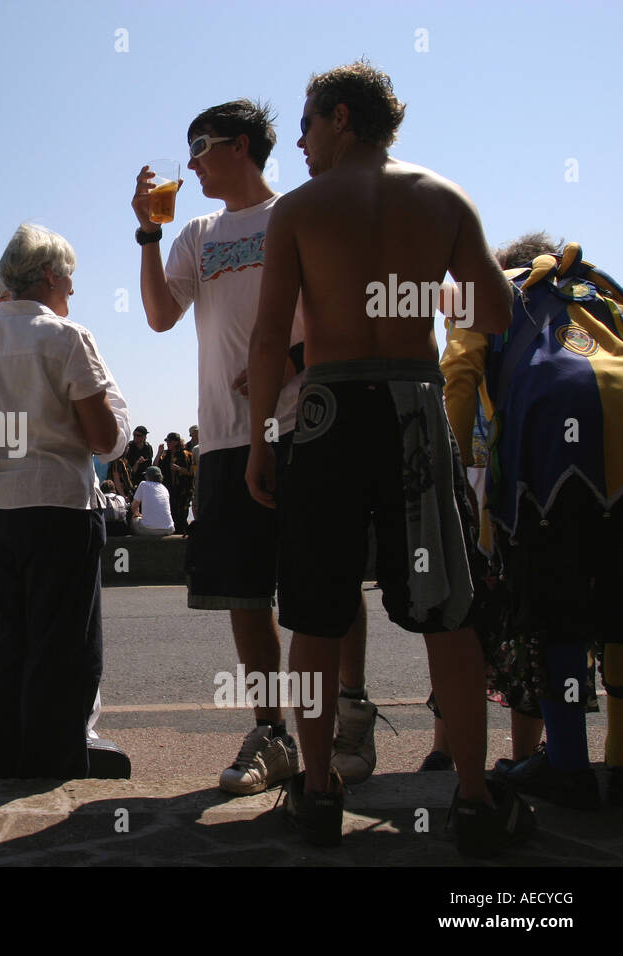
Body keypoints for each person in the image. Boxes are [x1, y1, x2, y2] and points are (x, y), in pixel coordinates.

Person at [245, 60, 533, 854]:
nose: (299, 146)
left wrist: (264, 436)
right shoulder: (442, 197)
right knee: (448, 609)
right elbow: (494, 308)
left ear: (340, 117)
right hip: (410, 405)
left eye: (305, 128)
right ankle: (473, 798)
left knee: (311, 611)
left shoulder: (299, 209)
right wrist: (419, 289)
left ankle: (316, 793)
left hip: (330, 410)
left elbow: (271, 338)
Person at [135, 97, 375, 797]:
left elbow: (347, 308)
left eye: (201, 145)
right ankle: (272, 732)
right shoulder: (197, 234)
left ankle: (349, 716)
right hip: (225, 436)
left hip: (309, 422)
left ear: (240, 145)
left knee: (327, 581)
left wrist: (290, 362)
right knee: (244, 591)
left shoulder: (300, 212)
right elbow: (157, 317)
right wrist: (149, 235)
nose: (191, 164)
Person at [435, 232, 622, 809]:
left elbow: (459, 381)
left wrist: (451, 471)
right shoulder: (602, 288)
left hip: (550, 451)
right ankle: (618, 765)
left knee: (554, 609)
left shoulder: (492, 294)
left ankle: (566, 765)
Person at [0, 222, 131, 778]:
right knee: (63, 650)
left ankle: (8, 757)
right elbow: (104, 439)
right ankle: (52, 770)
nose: (74, 290)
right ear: (51, 275)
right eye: (71, 278)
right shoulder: (66, 337)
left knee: (7, 644)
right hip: (59, 508)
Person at [155, 432, 193, 533]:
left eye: (170, 441)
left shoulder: (186, 454)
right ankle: (175, 531)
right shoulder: (165, 455)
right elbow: (155, 466)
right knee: (171, 510)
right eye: (167, 441)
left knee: (182, 511)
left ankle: (183, 532)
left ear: (176, 442)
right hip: (169, 488)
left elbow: (191, 472)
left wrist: (179, 469)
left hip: (183, 488)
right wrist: (159, 453)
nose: (168, 443)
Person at [130, 465, 175, 536]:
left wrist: (137, 515)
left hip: (149, 530)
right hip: (169, 529)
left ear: (148, 476)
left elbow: (134, 506)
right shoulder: (164, 488)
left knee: (134, 520)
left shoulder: (143, 484)